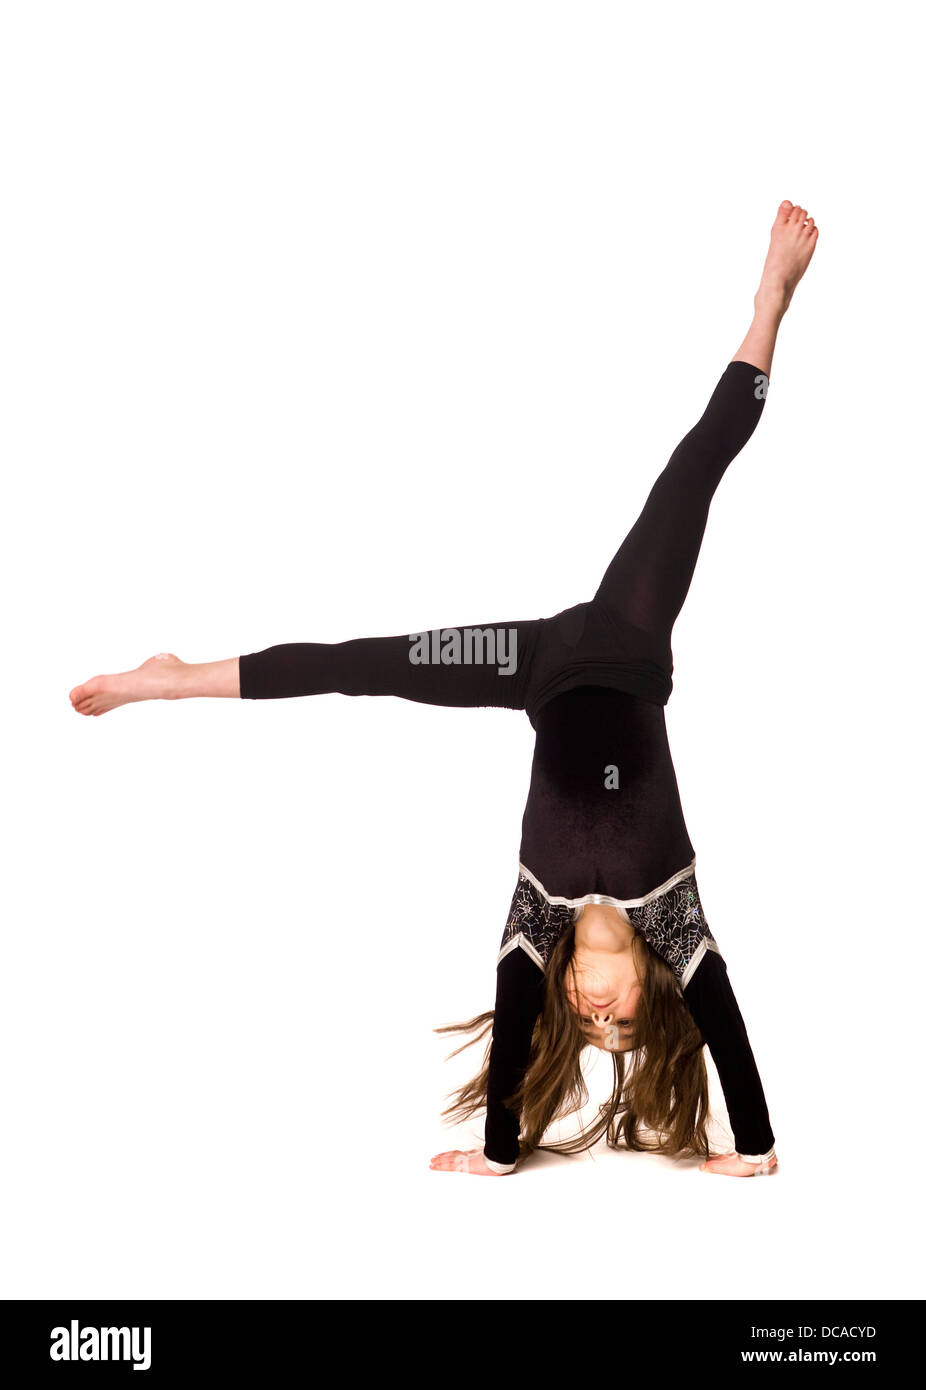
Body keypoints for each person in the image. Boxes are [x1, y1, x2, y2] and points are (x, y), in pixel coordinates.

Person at [69, 199, 818, 1179]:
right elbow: (737, 1080)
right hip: (626, 641)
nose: (599, 1016)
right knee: (695, 465)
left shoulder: (533, 922)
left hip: (536, 667)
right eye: (624, 1019)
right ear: (653, 979)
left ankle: (170, 680)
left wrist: (497, 1156)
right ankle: (768, 298)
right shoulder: (674, 916)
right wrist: (750, 1148)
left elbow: (511, 1062)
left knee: (358, 665)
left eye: (586, 1027)